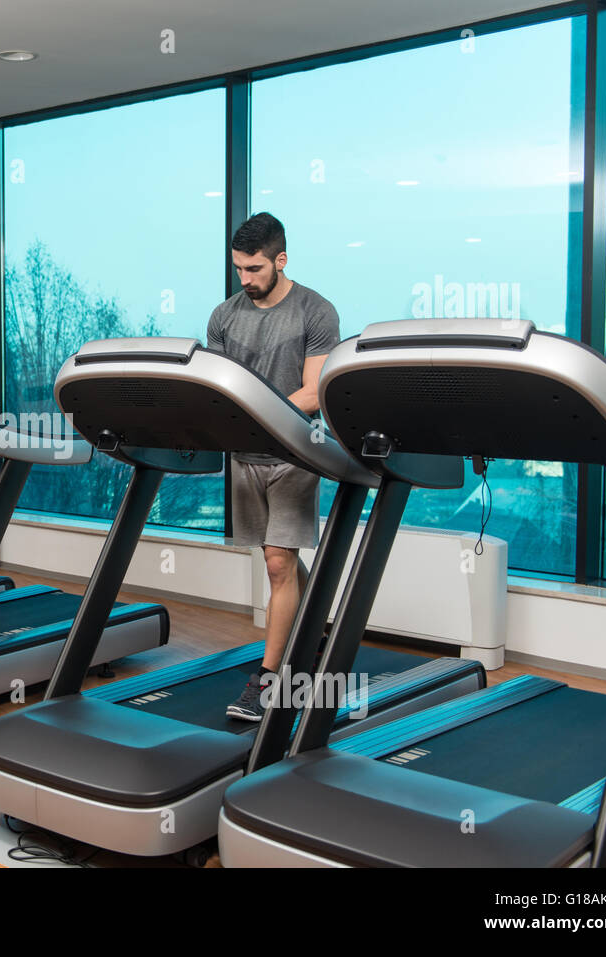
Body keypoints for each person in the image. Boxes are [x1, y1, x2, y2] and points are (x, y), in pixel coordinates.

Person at [206, 212, 341, 721]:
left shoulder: (315, 311)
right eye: (239, 269)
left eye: (255, 268)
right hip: (244, 455)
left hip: (292, 452)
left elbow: (312, 391)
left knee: (279, 563)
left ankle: (269, 680)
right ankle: (315, 627)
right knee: (275, 556)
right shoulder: (223, 316)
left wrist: (257, 417)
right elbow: (218, 384)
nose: (245, 279)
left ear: (280, 260)